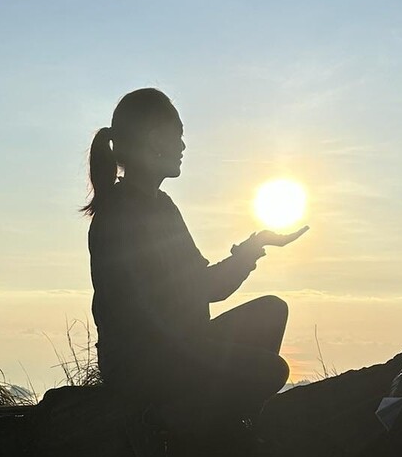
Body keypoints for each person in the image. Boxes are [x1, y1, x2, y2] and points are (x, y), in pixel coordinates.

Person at [84, 88, 307, 429]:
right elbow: (201, 289)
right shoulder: (121, 214)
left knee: (272, 310)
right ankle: (182, 429)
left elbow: (204, 284)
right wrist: (249, 251)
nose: (184, 147)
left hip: (180, 346)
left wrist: (254, 246)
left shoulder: (161, 206)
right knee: (271, 370)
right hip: (145, 364)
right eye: (178, 136)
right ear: (153, 138)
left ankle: (220, 423)